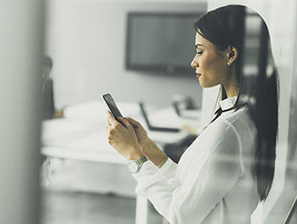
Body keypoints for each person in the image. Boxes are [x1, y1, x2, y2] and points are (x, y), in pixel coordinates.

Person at [105, 4, 278, 224]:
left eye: (200, 51)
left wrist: (134, 157)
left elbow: (180, 216)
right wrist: (146, 148)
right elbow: (192, 188)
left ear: (231, 54)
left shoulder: (228, 130)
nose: (193, 61)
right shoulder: (244, 118)